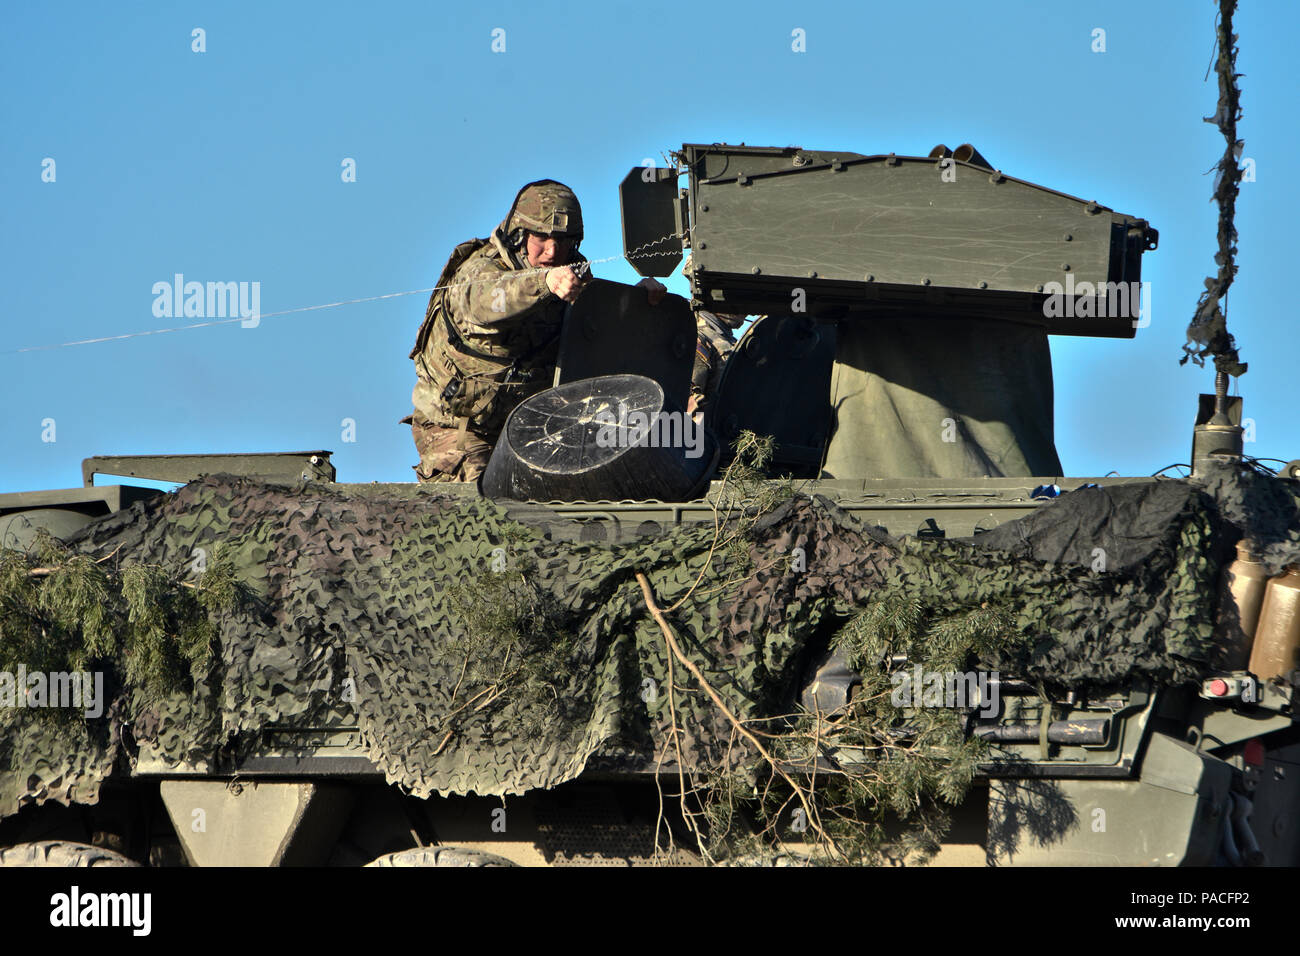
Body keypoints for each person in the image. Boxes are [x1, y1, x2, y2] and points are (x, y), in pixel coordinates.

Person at [405, 180, 664, 482]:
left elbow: (596, 333)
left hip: (529, 432)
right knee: (480, 504)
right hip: (458, 429)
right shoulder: (480, 272)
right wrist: (545, 283)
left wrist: (637, 302)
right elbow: (486, 301)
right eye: (541, 236)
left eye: (564, 240)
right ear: (518, 234)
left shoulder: (572, 280)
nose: (553, 250)